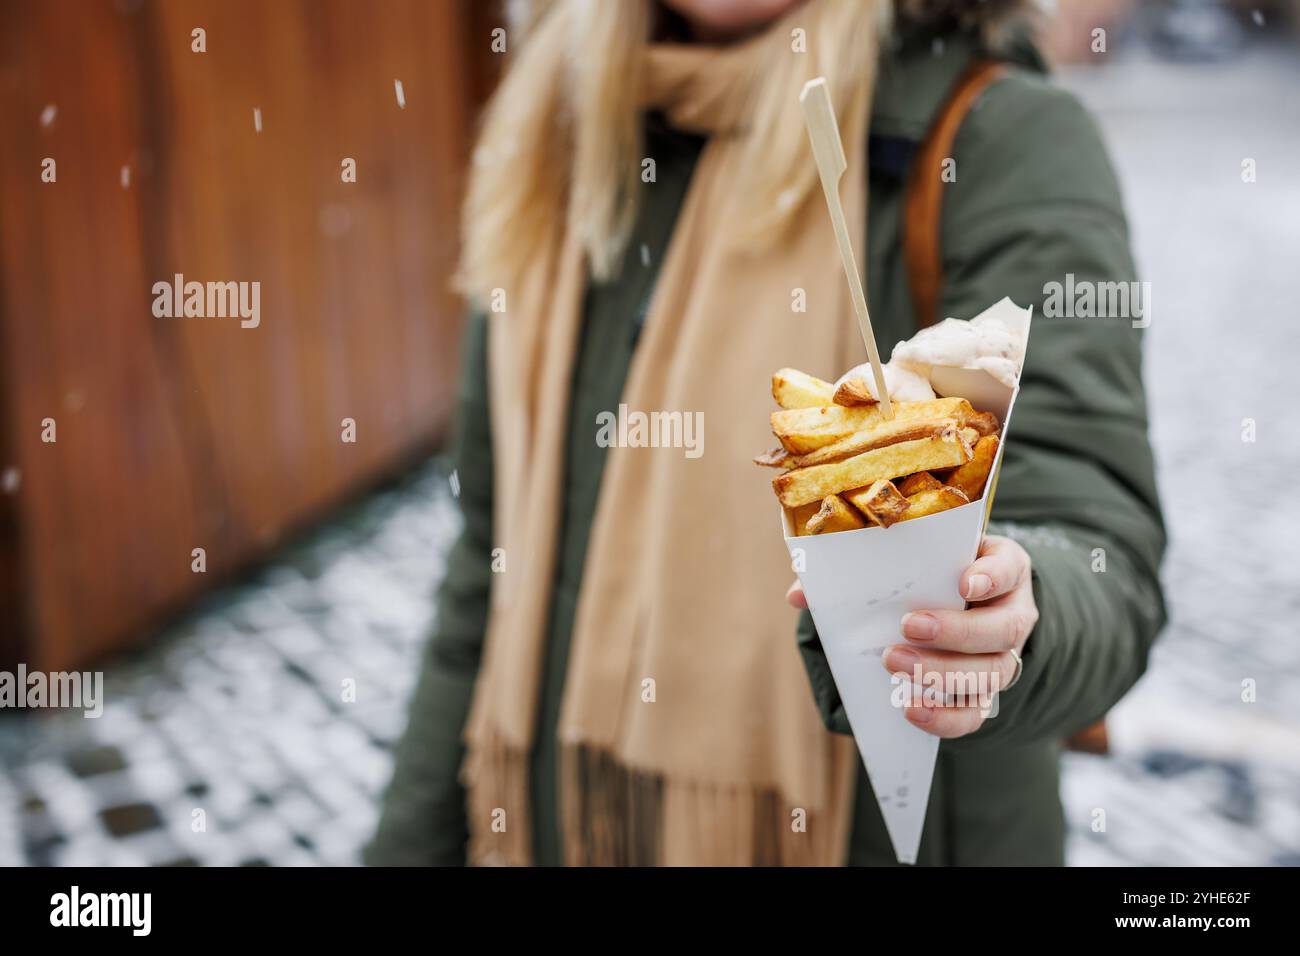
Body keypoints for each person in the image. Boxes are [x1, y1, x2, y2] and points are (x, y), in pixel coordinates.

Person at [366, 0, 1167, 866]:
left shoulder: (1002, 143)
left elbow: (1099, 550)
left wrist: (1015, 613)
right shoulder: (553, 133)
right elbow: (488, 567)